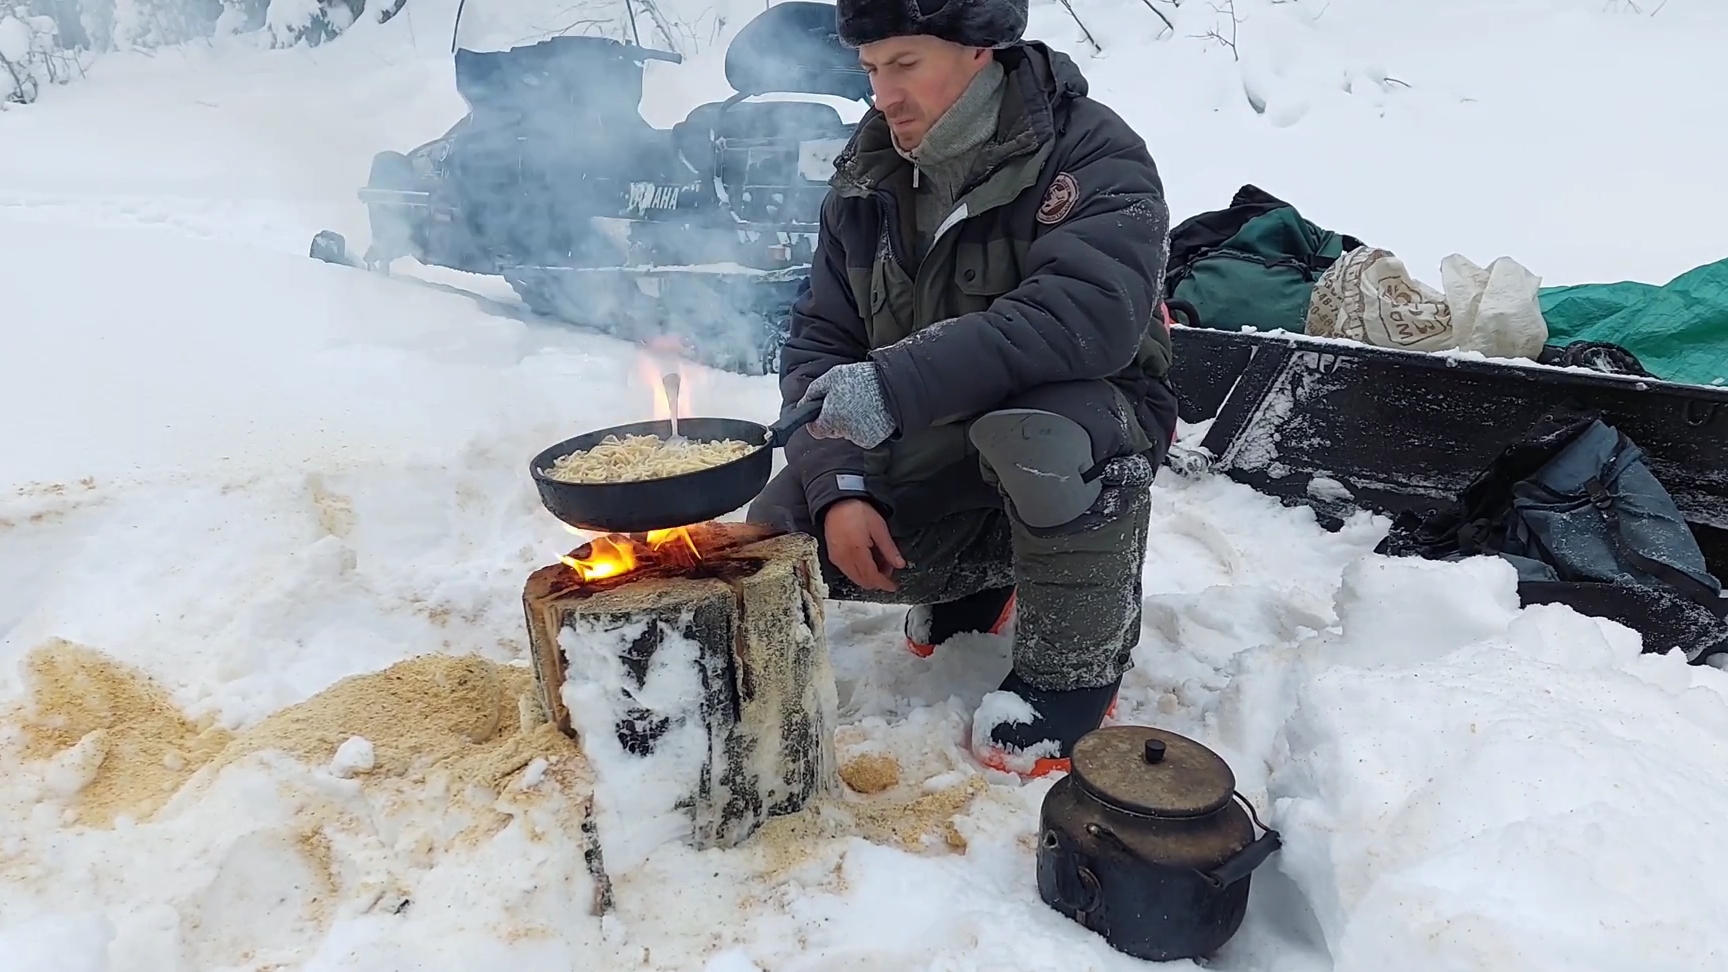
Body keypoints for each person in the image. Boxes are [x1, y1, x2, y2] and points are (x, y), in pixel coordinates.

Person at [746, 0, 1177, 778]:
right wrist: (840, 487)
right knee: (785, 530)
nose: (884, 95)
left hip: (1087, 423)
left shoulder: (1090, 151)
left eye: (905, 65)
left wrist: (892, 383)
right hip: (944, 432)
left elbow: (1087, 316)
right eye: (870, 70)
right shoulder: (867, 176)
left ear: (979, 48)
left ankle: (1074, 668)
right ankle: (981, 586)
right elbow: (819, 343)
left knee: (1037, 434)